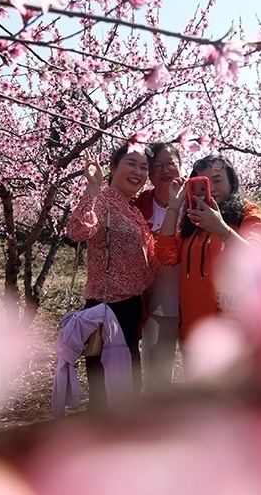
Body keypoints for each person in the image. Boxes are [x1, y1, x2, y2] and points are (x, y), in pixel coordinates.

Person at [154, 153, 261, 370]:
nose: (211, 189)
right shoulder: (193, 220)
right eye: (203, 184)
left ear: (232, 182)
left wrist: (221, 229)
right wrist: (174, 205)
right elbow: (165, 254)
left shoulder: (249, 214)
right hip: (193, 331)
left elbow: (257, 257)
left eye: (217, 181)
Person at [66, 142, 159, 411]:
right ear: (113, 167)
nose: (138, 172)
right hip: (106, 308)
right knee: (107, 392)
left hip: (130, 308)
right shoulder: (104, 200)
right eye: (131, 164)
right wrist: (93, 189)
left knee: (128, 387)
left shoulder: (132, 208)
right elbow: (78, 231)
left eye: (144, 167)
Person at [134, 143, 183, 393]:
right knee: (157, 378)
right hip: (155, 305)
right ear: (149, 174)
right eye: (157, 166)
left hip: (195, 304)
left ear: (181, 166)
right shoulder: (139, 204)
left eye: (170, 163)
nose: (165, 171)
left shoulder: (197, 201)